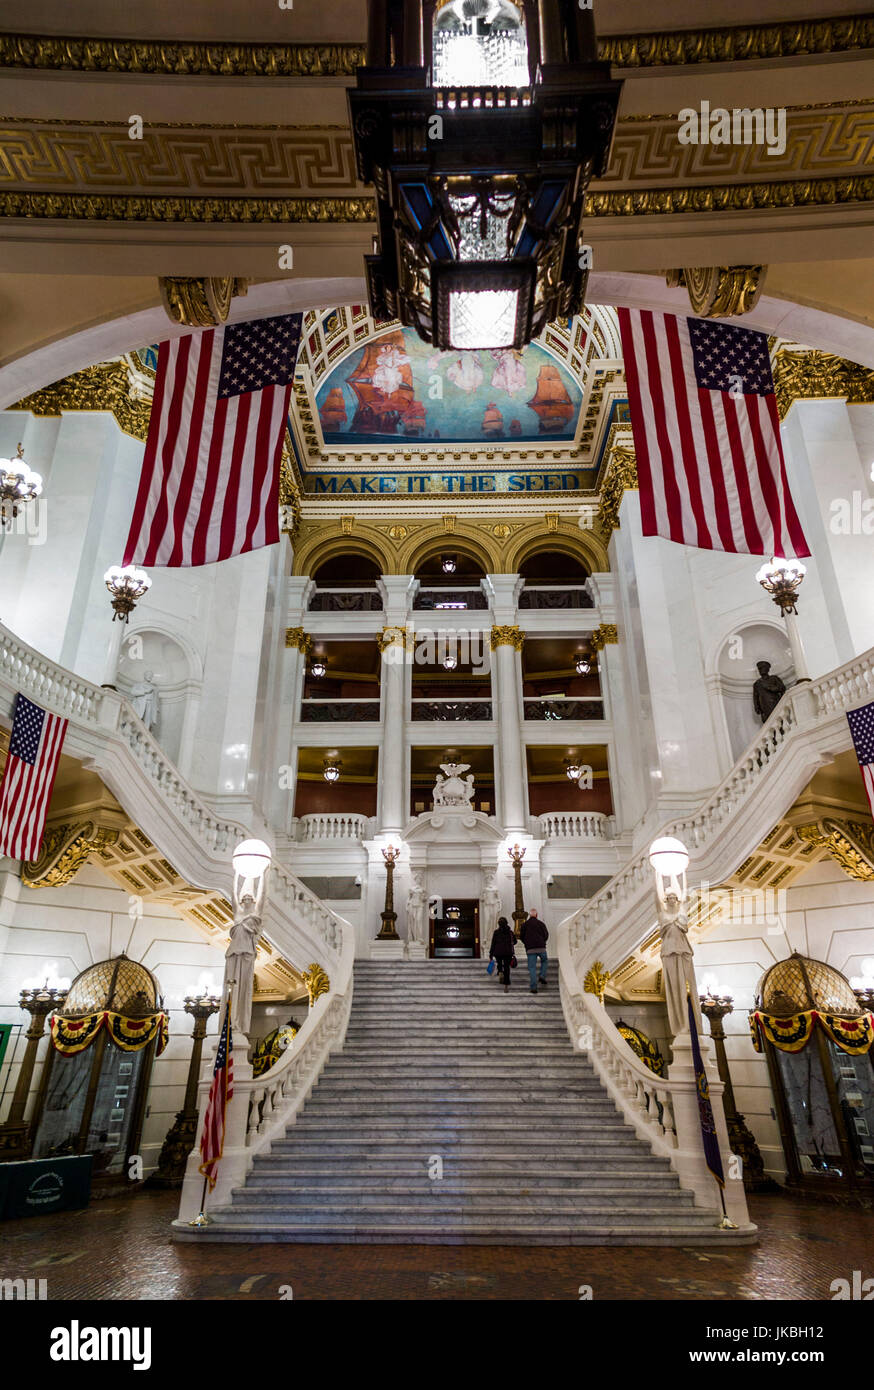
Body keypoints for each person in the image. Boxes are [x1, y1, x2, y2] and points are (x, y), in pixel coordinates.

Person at [521, 907, 549, 994]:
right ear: (536, 915)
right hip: (541, 947)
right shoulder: (541, 924)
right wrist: (543, 942)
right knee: (544, 961)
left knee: (532, 968)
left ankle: (534, 988)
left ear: (529, 915)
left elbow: (521, 936)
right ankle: (542, 975)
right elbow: (546, 934)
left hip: (530, 949)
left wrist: (526, 943)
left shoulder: (525, 925)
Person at [489, 915, 516, 993]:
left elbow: (493, 943)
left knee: (500, 963)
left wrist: (491, 954)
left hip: (498, 952)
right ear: (507, 923)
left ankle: (500, 971)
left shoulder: (496, 932)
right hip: (508, 952)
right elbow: (515, 941)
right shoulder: (510, 932)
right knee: (507, 968)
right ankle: (506, 985)